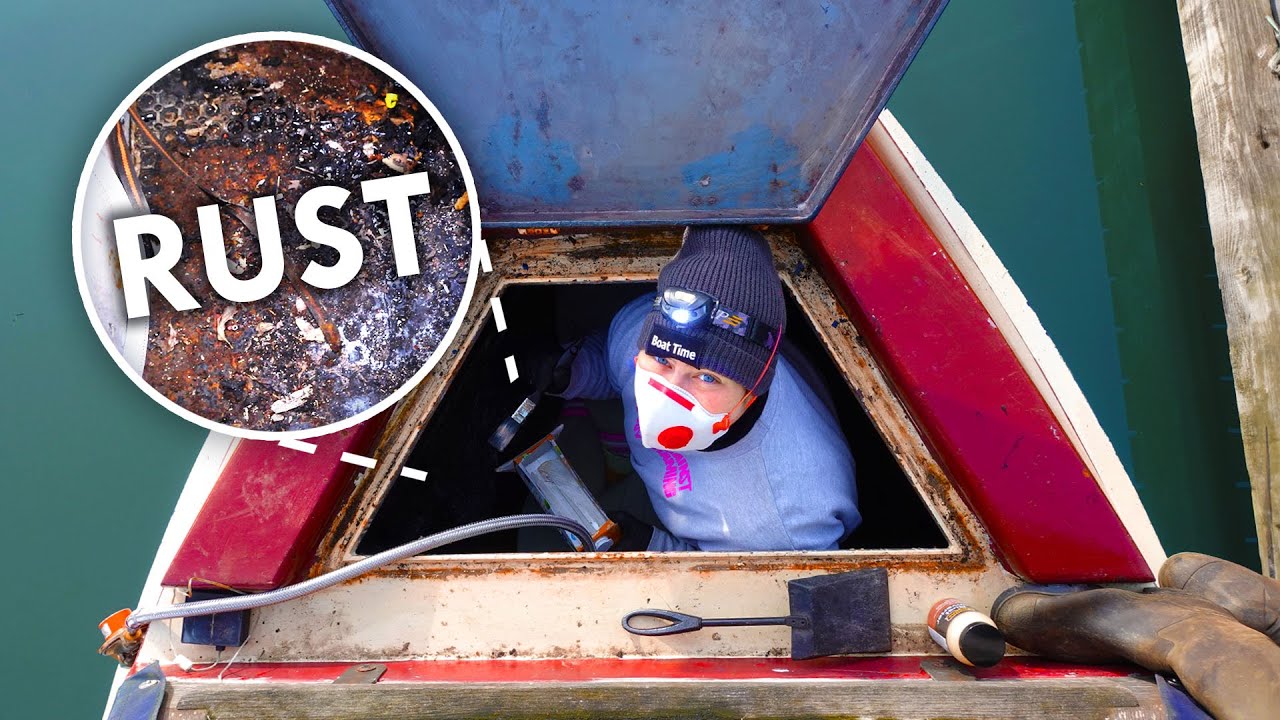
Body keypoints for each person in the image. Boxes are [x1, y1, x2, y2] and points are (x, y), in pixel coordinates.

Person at [555, 225, 860, 552]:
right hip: (657, 490)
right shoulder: (634, 334)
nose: (668, 393)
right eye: (662, 361)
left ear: (751, 394)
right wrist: (572, 373)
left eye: (707, 378)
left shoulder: (784, 527)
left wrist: (654, 547)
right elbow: (612, 369)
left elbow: (745, 595)